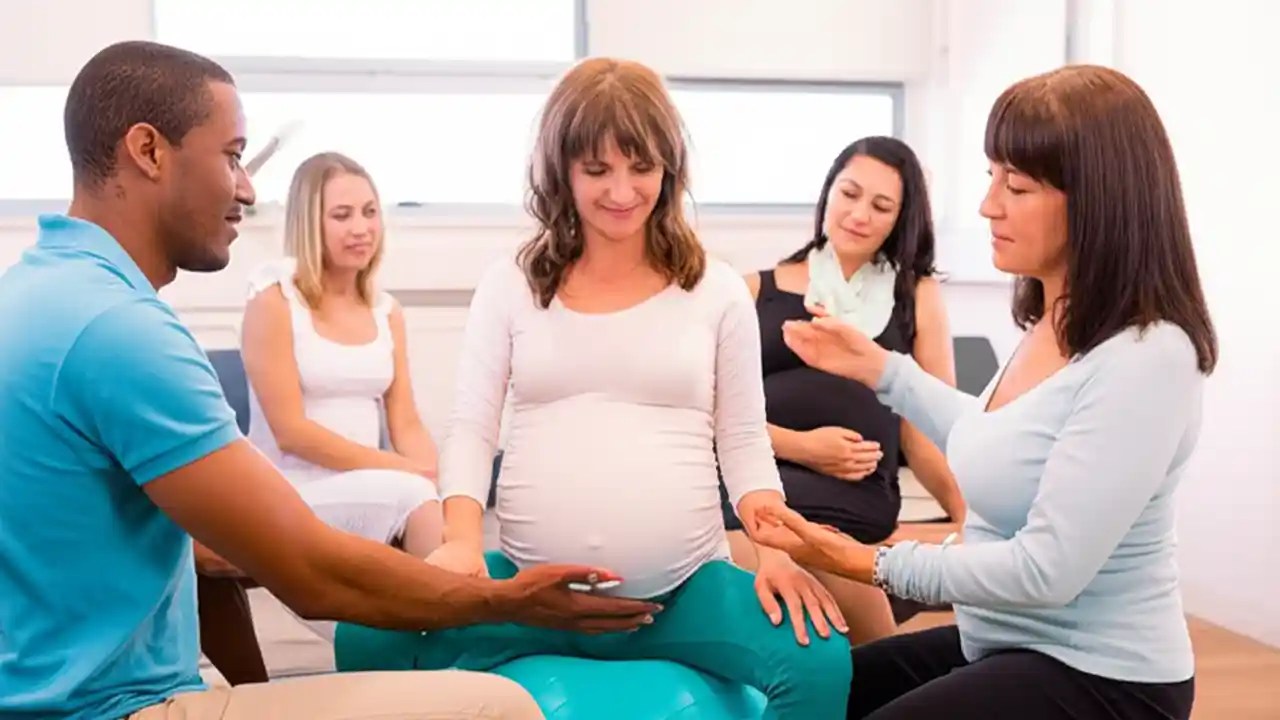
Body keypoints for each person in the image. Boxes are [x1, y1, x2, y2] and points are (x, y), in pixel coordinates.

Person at [0, 40, 661, 720]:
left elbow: (182, 545)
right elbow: (311, 574)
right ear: (148, 151)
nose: (247, 188)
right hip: (106, 708)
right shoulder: (121, 327)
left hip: (77, 686)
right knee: (499, 707)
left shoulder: (34, 291)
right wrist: (512, 600)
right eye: (232, 156)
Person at [397, 57, 853, 719]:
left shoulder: (716, 289)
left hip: (681, 597)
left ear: (669, 168)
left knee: (819, 658)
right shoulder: (510, 284)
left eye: (641, 167)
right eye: (597, 169)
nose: (621, 191)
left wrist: (775, 553)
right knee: (367, 632)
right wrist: (463, 542)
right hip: (527, 596)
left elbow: (742, 439)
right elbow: (471, 426)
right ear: (561, 170)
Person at [754, 64, 1214, 720]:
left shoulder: (1148, 357)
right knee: (816, 695)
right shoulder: (1054, 323)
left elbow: (1045, 570)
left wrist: (868, 562)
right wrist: (880, 369)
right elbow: (994, 437)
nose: (988, 204)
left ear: (1096, 201)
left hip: (1106, 678)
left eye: (1016, 186)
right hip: (1006, 643)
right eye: (991, 175)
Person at [720, 136, 963, 644]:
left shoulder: (916, 295)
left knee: (818, 571)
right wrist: (802, 447)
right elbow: (706, 414)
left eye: (881, 206)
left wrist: (968, 517)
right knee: (773, 557)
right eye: (849, 194)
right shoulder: (751, 289)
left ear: (901, 218)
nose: (859, 215)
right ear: (828, 192)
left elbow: (928, 430)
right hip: (757, 486)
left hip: (854, 499)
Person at [241, 152, 442, 563]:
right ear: (309, 223)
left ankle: (449, 597)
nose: (361, 228)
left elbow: (406, 421)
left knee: (433, 499)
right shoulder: (274, 302)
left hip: (369, 485)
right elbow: (291, 432)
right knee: (414, 494)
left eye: (369, 212)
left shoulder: (387, 312)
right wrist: (396, 469)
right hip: (288, 489)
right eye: (341, 215)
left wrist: (431, 474)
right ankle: (451, 603)